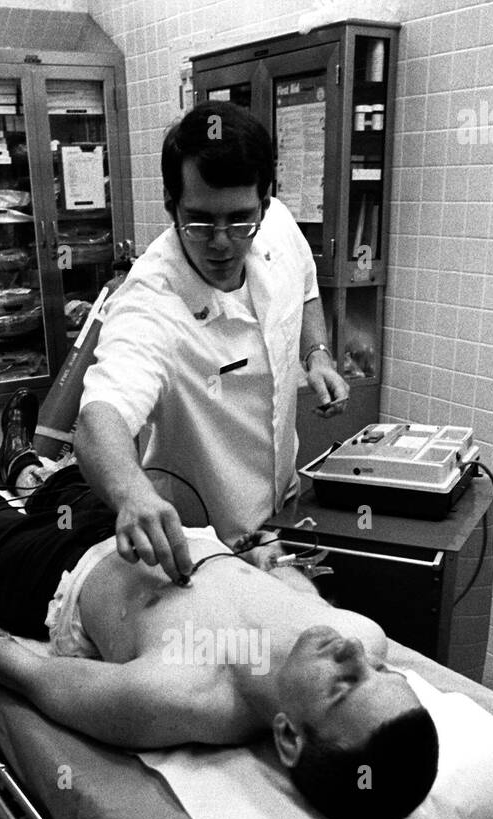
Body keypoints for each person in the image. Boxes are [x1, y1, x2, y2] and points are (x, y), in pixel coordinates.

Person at [0, 414, 438, 819]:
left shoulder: (178, 696)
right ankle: (20, 457)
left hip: (55, 573)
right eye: (379, 670)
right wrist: (263, 562)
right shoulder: (360, 635)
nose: (353, 655)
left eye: (345, 684)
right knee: (76, 481)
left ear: (288, 735)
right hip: (152, 527)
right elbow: (301, 595)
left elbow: (41, 680)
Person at [72, 101, 350, 585]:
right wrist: (130, 495)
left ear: (265, 201)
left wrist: (317, 355)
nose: (221, 242)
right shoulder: (149, 302)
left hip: (284, 503)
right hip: (200, 540)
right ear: (170, 204)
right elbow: (99, 419)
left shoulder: (278, 225)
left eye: (240, 220)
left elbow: (305, 287)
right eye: (198, 222)